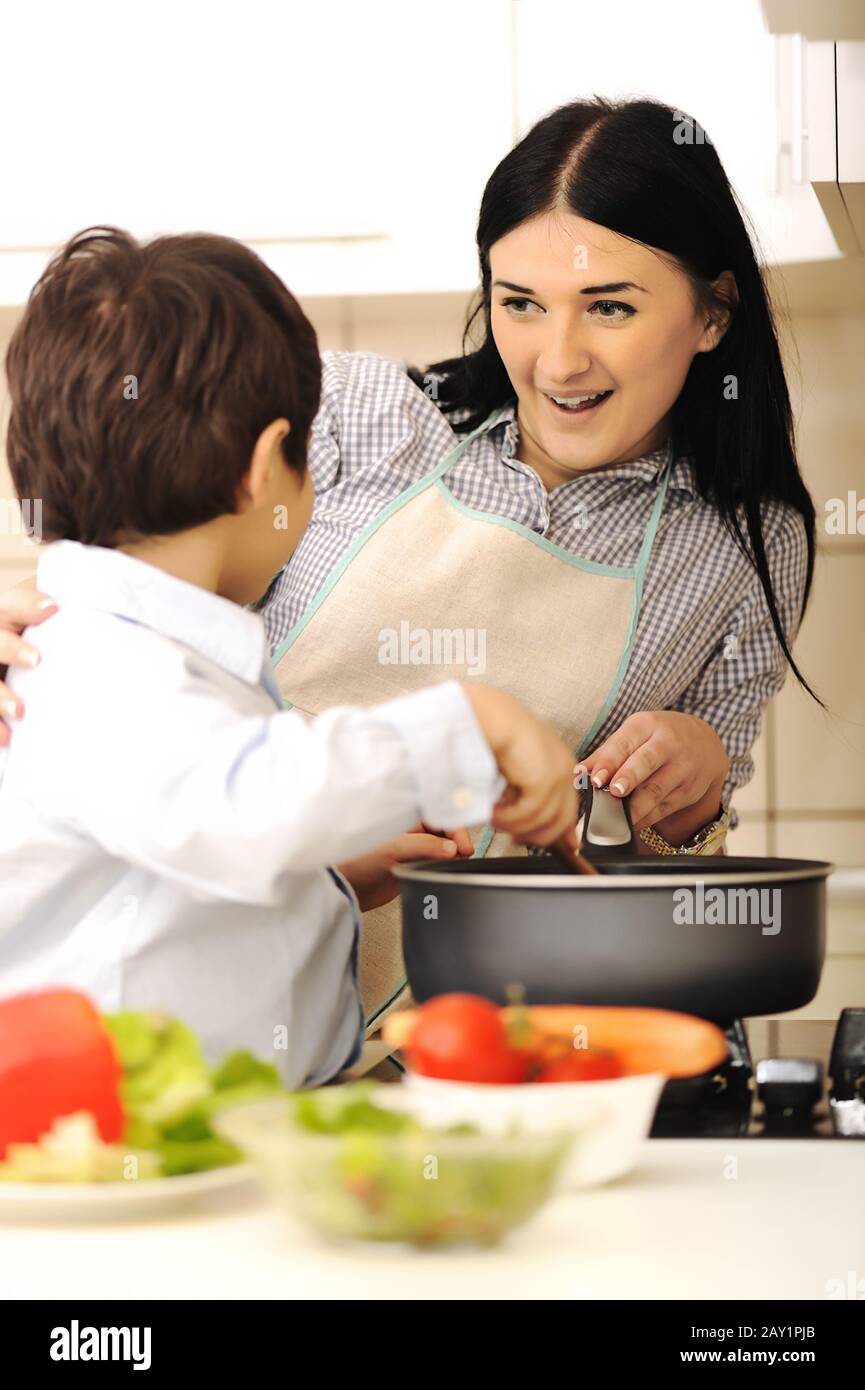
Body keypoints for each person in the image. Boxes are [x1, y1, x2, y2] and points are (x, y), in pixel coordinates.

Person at [0, 97, 821, 1021]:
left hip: (464, 1034)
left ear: (712, 313)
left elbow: (645, 883)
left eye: (609, 308)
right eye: (519, 305)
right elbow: (127, 553)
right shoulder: (358, 413)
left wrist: (690, 798)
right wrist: (38, 627)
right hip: (201, 1011)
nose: (557, 361)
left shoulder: (742, 547)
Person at [0, 228, 577, 1085]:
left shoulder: (150, 654)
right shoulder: (103, 666)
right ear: (267, 467)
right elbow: (241, 801)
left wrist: (326, 879)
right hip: (126, 1181)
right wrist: (467, 723)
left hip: (204, 1157)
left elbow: (184, 855)